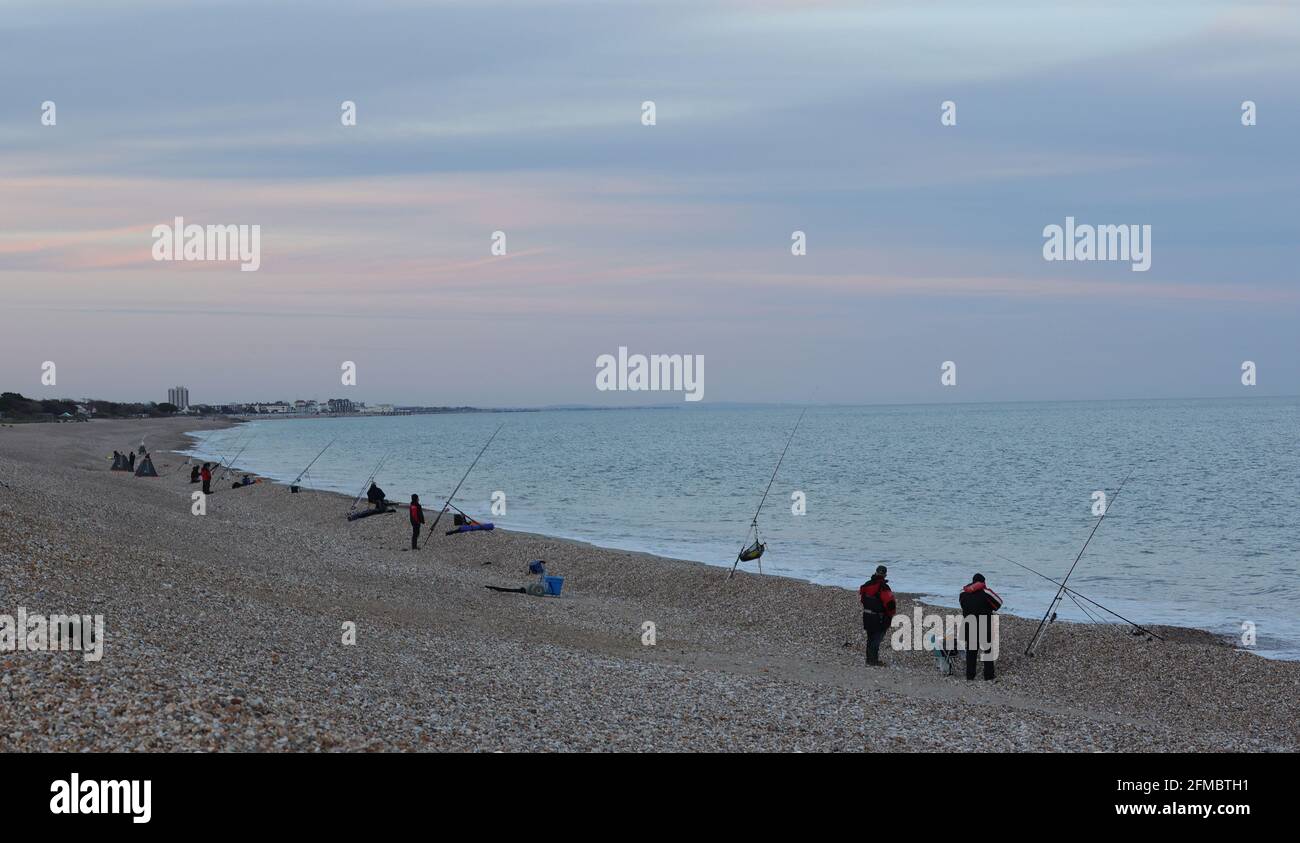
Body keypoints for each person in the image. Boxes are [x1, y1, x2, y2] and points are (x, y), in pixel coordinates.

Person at [959, 573, 1003, 681]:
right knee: (987, 651)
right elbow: (998, 603)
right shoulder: (986, 593)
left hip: (969, 625)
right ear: (983, 583)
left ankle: (970, 676)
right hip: (984, 625)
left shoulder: (963, 593)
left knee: (971, 651)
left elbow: (962, 604)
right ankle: (988, 676)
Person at [859, 564, 897, 666]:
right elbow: (890, 604)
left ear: (876, 572)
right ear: (885, 575)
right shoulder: (883, 587)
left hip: (867, 615)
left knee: (870, 638)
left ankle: (869, 659)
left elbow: (862, 599)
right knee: (876, 639)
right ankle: (873, 661)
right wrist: (890, 615)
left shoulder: (866, 585)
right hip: (878, 617)